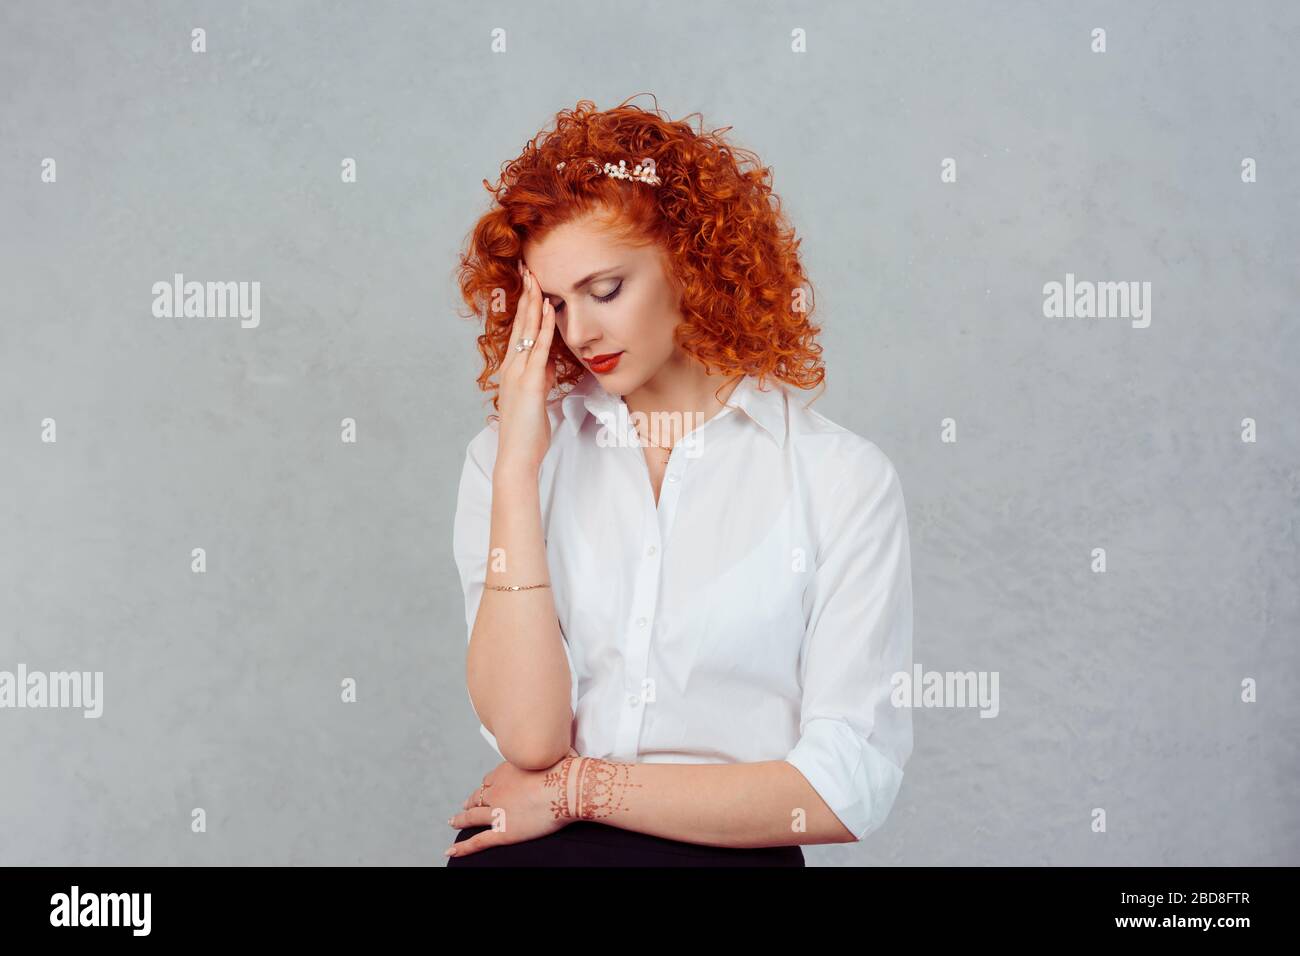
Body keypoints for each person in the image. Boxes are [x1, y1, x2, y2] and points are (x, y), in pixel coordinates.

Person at [445, 95, 913, 866]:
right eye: (556, 303)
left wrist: (580, 791)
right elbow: (529, 738)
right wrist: (515, 474)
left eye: (605, 290)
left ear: (691, 265)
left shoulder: (838, 479)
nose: (580, 332)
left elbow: (842, 788)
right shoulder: (510, 460)